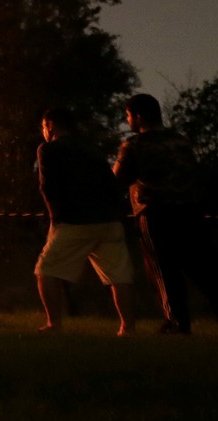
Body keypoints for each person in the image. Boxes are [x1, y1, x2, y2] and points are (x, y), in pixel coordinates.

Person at [113, 93, 218, 334]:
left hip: (154, 213)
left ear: (139, 116)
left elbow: (117, 180)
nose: (128, 120)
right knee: (205, 268)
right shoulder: (181, 141)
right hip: (190, 211)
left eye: (128, 115)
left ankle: (176, 323)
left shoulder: (134, 145)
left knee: (163, 270)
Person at [34, 107, 138, 335]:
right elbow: (112, 184)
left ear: (50, 125)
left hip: (75, 221)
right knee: (119, 276)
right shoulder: (91, 149)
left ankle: (53, 324)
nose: (43, 131)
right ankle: (127, 327)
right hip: (109, 221)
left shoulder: (49, 149)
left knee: (46, 269)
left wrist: (55, 216)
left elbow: (48, 186)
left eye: (43, 126)